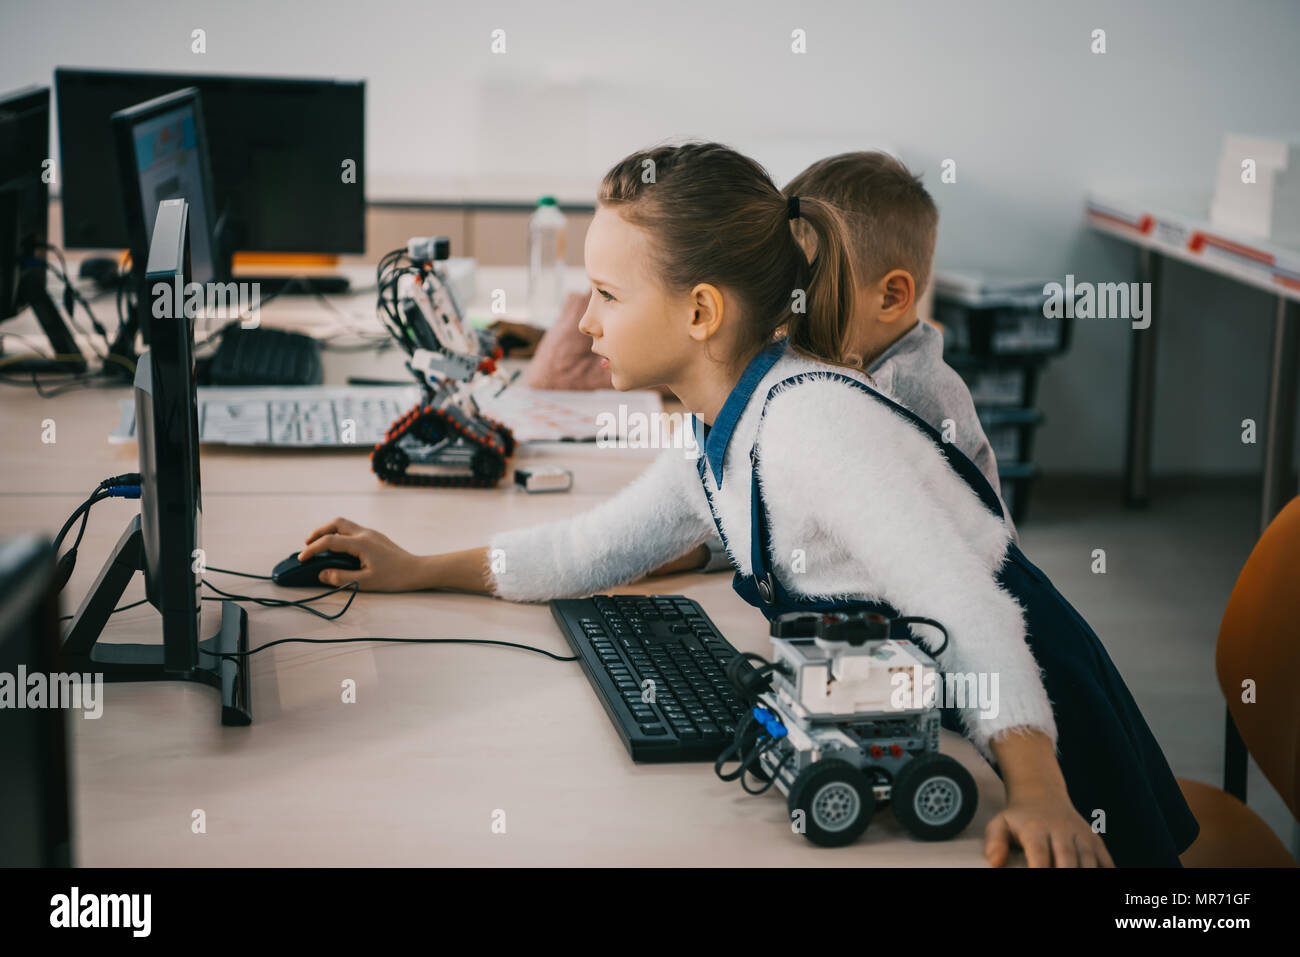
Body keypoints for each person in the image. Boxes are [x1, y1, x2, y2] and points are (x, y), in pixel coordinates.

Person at [300, 142, 1197, 867]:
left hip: (1025, 703)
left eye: (609, 296)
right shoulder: (733, 423)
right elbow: (591, 550)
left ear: (699, 312)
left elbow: (961, 601)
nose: (585, 325)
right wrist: (422, 569)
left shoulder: (810, 425)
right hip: (943, 697)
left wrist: (1037, 784)